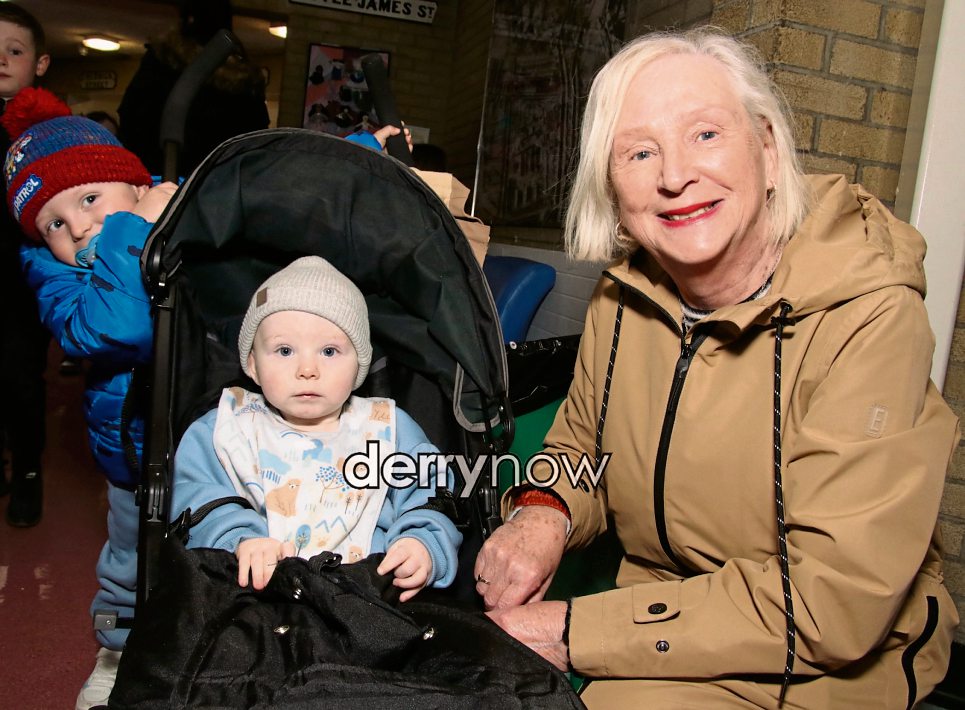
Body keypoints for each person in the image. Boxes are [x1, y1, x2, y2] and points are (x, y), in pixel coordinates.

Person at [474, 26, 960, 708]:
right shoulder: (623, 297)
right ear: (611, 187)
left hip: (822, 650)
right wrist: (541, 514)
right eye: (639, 151)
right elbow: (577, 445)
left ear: (766, 146)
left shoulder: (868, 317)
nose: (673, 175)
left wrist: (573, 629)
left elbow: (830, 602)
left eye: (705, 134)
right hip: (658, 612)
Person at [1, 87, 178, 709]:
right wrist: (134, 227)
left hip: (213, 441)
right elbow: (119, 324)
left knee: (218, 548)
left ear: (134, 182)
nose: (79, 228)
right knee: (130, 560)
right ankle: (117, 651)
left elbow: (264, 185)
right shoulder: (54, 275)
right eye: (55, 223)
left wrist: (366, 146)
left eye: (90, 199)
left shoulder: (178, 208)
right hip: (130, 454)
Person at [171, 256, 462, 598]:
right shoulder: (225, 429)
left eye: (328, 351)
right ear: (252, 362)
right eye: (284, 350)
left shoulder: (388, 429)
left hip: (367, 601)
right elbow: (193, 494)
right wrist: (238, 538)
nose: (307, 369)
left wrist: (424, 541)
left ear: (359, 367)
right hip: (256, 601)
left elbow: (432, 490)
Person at [117, 0, 269, 176]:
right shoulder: (245, 80)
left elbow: (130, 115)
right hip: (211, 181)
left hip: (170, 176)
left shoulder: (162, 63)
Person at [0, 2, 50, 525]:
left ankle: (28, 472)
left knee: (19, 377)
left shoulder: (47, 127)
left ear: (38, 63)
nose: (1, 61)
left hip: (21, 277)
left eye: (14, 51)